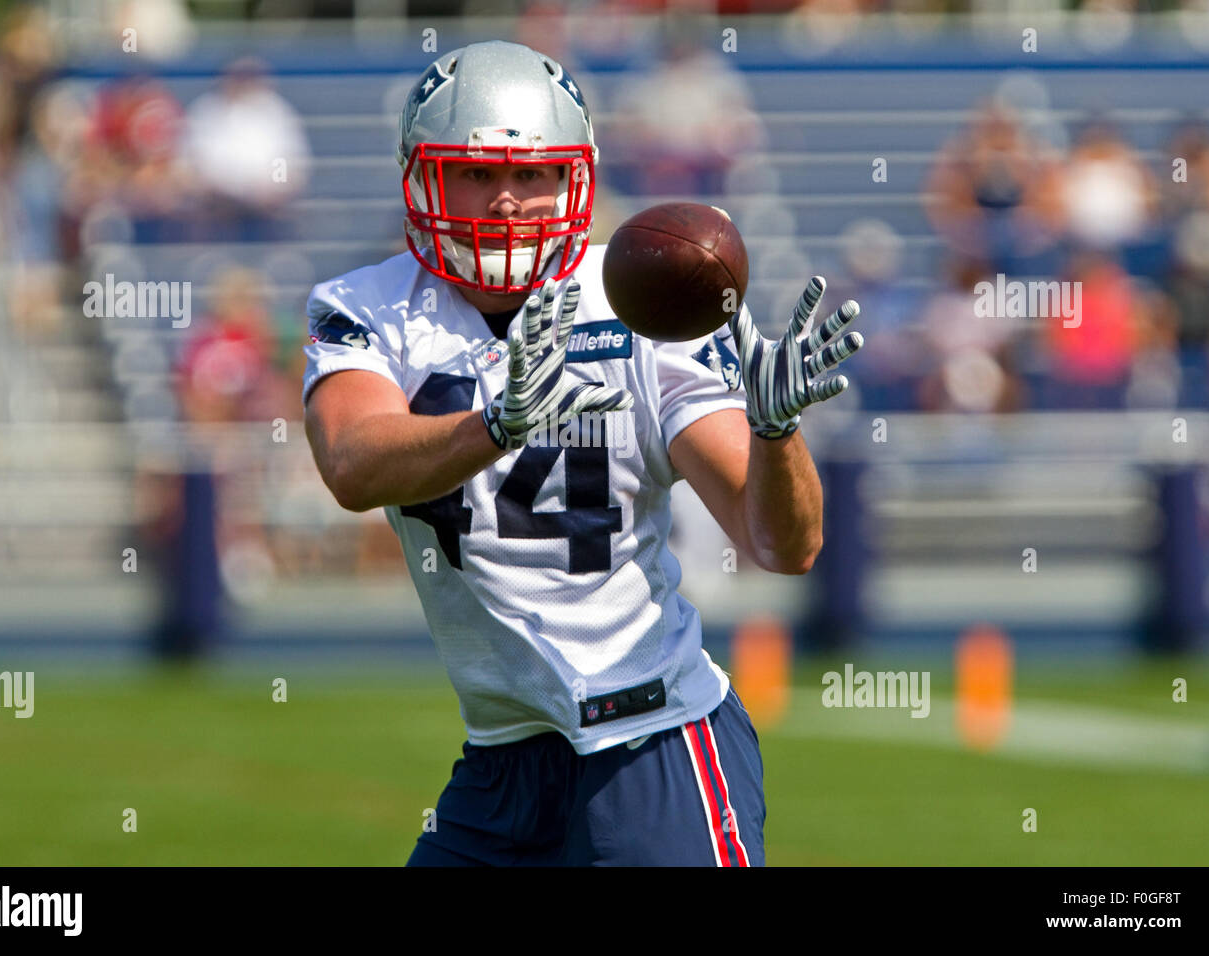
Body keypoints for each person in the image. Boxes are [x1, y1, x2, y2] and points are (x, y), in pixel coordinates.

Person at [301, 41, 864, 866]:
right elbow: (353, 463)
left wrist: (777, 435)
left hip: (656, 742)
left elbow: (783, 544)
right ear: (421, 178)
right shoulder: (366, 308)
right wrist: (493, 426)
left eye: (532, 175)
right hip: (500, 755)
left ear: (575, 180)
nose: (505, 201)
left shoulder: (640, 300)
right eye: (474, 173)